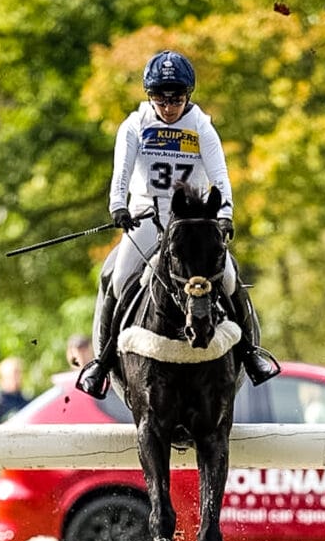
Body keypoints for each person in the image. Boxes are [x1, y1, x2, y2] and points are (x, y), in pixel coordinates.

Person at [76, 49, 280, 399]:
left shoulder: (201, 127)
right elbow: (121, 172)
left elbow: (219, 176)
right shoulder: (135, 125)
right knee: (116, 276)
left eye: (176, 99)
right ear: (149, 96)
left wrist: (225, 213)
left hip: (191, 222)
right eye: (160, 99)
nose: (168, 107)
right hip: (146, 216)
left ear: (188, 96)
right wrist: (118, 206)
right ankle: (103, 362)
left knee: (229, 278)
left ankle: (249, 354)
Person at [0, 356, 30, 423]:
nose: (17, 378)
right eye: (14, 374)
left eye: (19, 373)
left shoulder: (24, 400)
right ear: (2, 379)